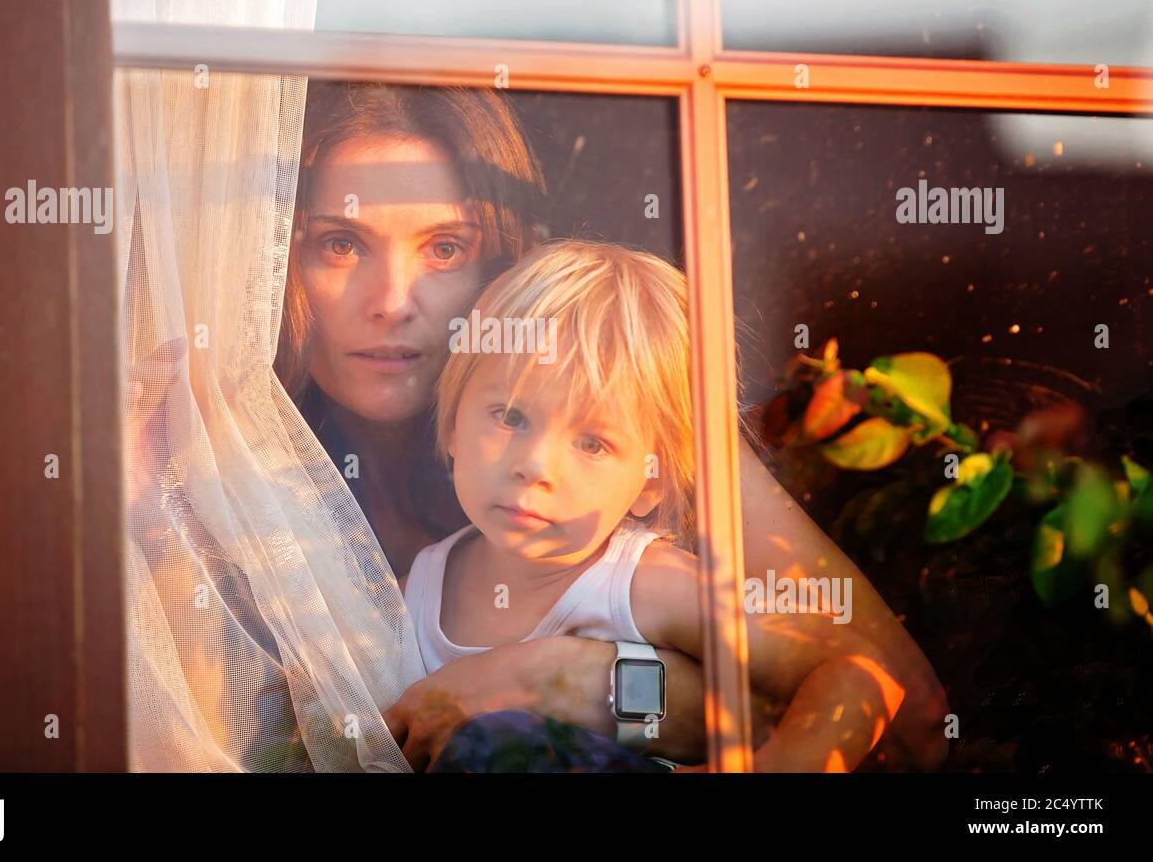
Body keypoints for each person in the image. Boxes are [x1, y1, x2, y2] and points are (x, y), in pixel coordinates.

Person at [274, 81, 949, 770]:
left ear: (506, 268)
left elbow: (905, 720)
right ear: (270, 265)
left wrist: (559, 676)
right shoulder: (236, 483)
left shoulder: (629, 424)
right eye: (339, 243)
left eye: (446, 248)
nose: (392, 302)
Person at [404, 240, 905, 772]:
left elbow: (861, 671)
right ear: (453, 422)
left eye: (593, 443)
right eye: (509, 416)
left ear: (652, 483)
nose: (535, 465)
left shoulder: (645, 584)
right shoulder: (416, 581)